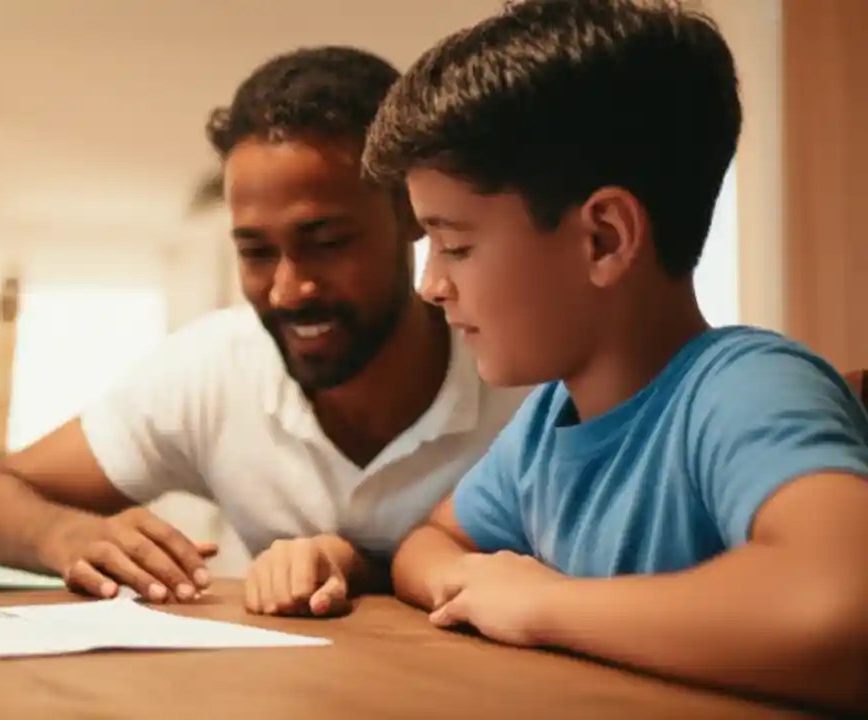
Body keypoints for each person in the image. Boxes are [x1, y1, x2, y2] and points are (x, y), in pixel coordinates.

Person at [363, 0, 868, 711]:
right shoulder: (547, 424)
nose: (431, 286)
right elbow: (430, 542)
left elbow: (839, 611)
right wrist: (478, 583)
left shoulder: (746, 389)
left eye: (457, 245)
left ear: (603, 239)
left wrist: (546, 606)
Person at [0, 46, 525, 617]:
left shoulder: (522, 375)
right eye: (255, 252)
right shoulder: (214, 368)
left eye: (326, 243)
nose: (286, 290)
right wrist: (68, 538)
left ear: (410, 214)